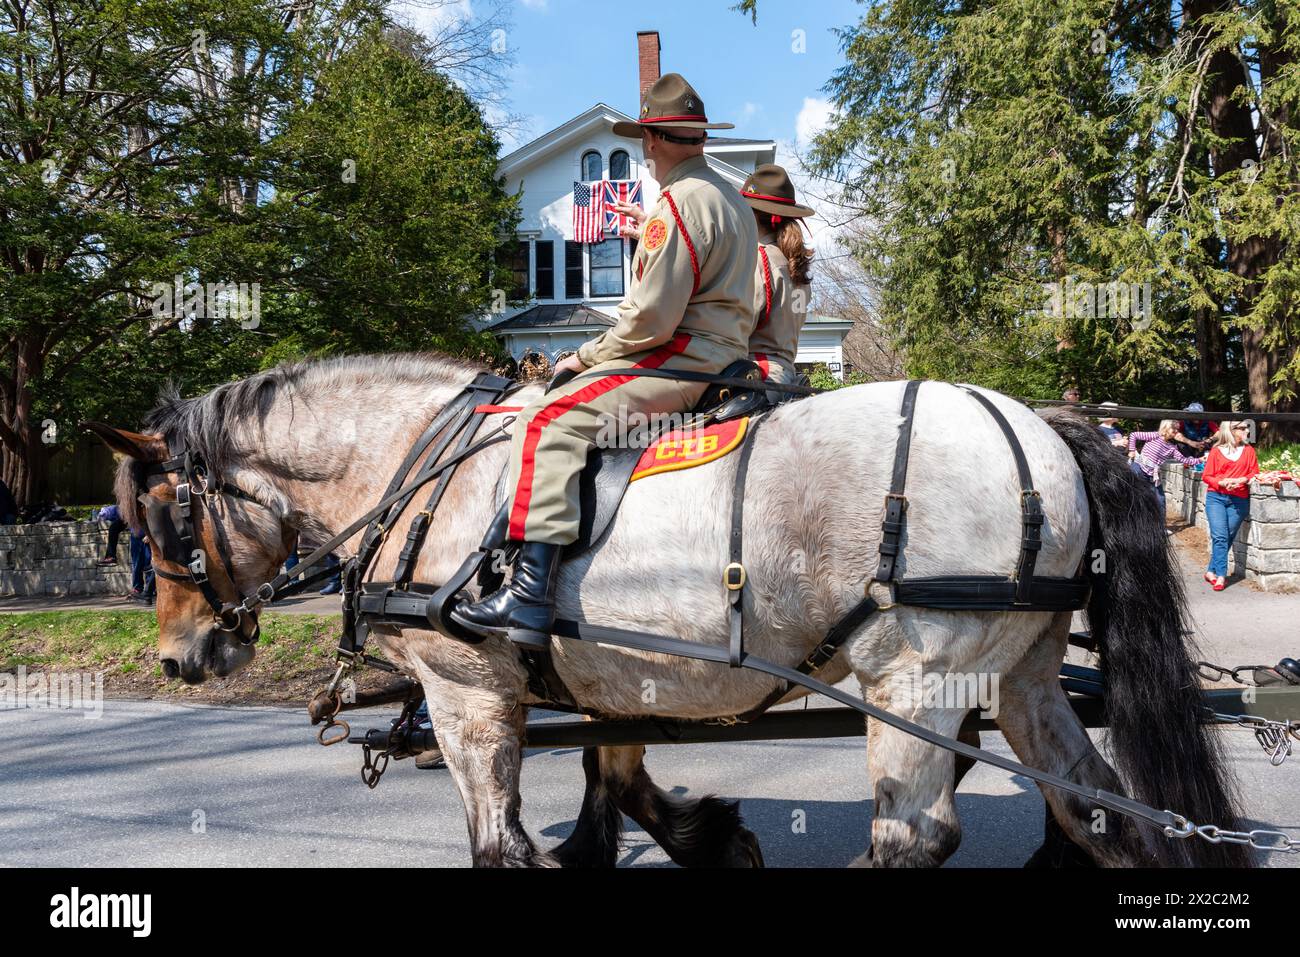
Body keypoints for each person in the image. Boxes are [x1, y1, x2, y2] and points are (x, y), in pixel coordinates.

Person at [452, 73, 757, 648]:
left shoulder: (677, 204)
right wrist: (654, 238)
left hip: (679, 356)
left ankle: (528, 597)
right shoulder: (726, 198)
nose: (644, 149)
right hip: (717, 354)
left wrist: (582, 356)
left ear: (653, 139)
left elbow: (649, 322)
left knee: (547, 421)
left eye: (645, 138)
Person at [738, 164, 816, 384]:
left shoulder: (758, 259)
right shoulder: (797, 267)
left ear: (752, 214)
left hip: (756, 374)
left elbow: (739, 325)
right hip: (786, 373)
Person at [1202, 421, 1259, 592]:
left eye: (1246, 428)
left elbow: (1254, 472)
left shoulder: (1249, 450)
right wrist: (1222, 482)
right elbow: (1207, 476)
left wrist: (1240, 480)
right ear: (1231, 430)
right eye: (1242, 428)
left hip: (1239, 499)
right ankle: (1221, 576)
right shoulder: (1216, 451)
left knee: (1226, 537)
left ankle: (1210, 571)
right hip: (1216, 498)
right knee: (1219, 536)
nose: (1246, 430)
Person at [1126, 419, 1204, 515]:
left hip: (1153, 476)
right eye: (1173, 428)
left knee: (1160, 500)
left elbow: (1185, 460)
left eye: (1177, 429)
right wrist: (1132, 450)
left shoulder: (1172, 448)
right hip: (1139, 468)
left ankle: (1162, 527)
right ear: (1166, 427)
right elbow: (1134, 435)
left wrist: (1200, 460)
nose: (1176, 431)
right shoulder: (1155, 435)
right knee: (1138, 497)